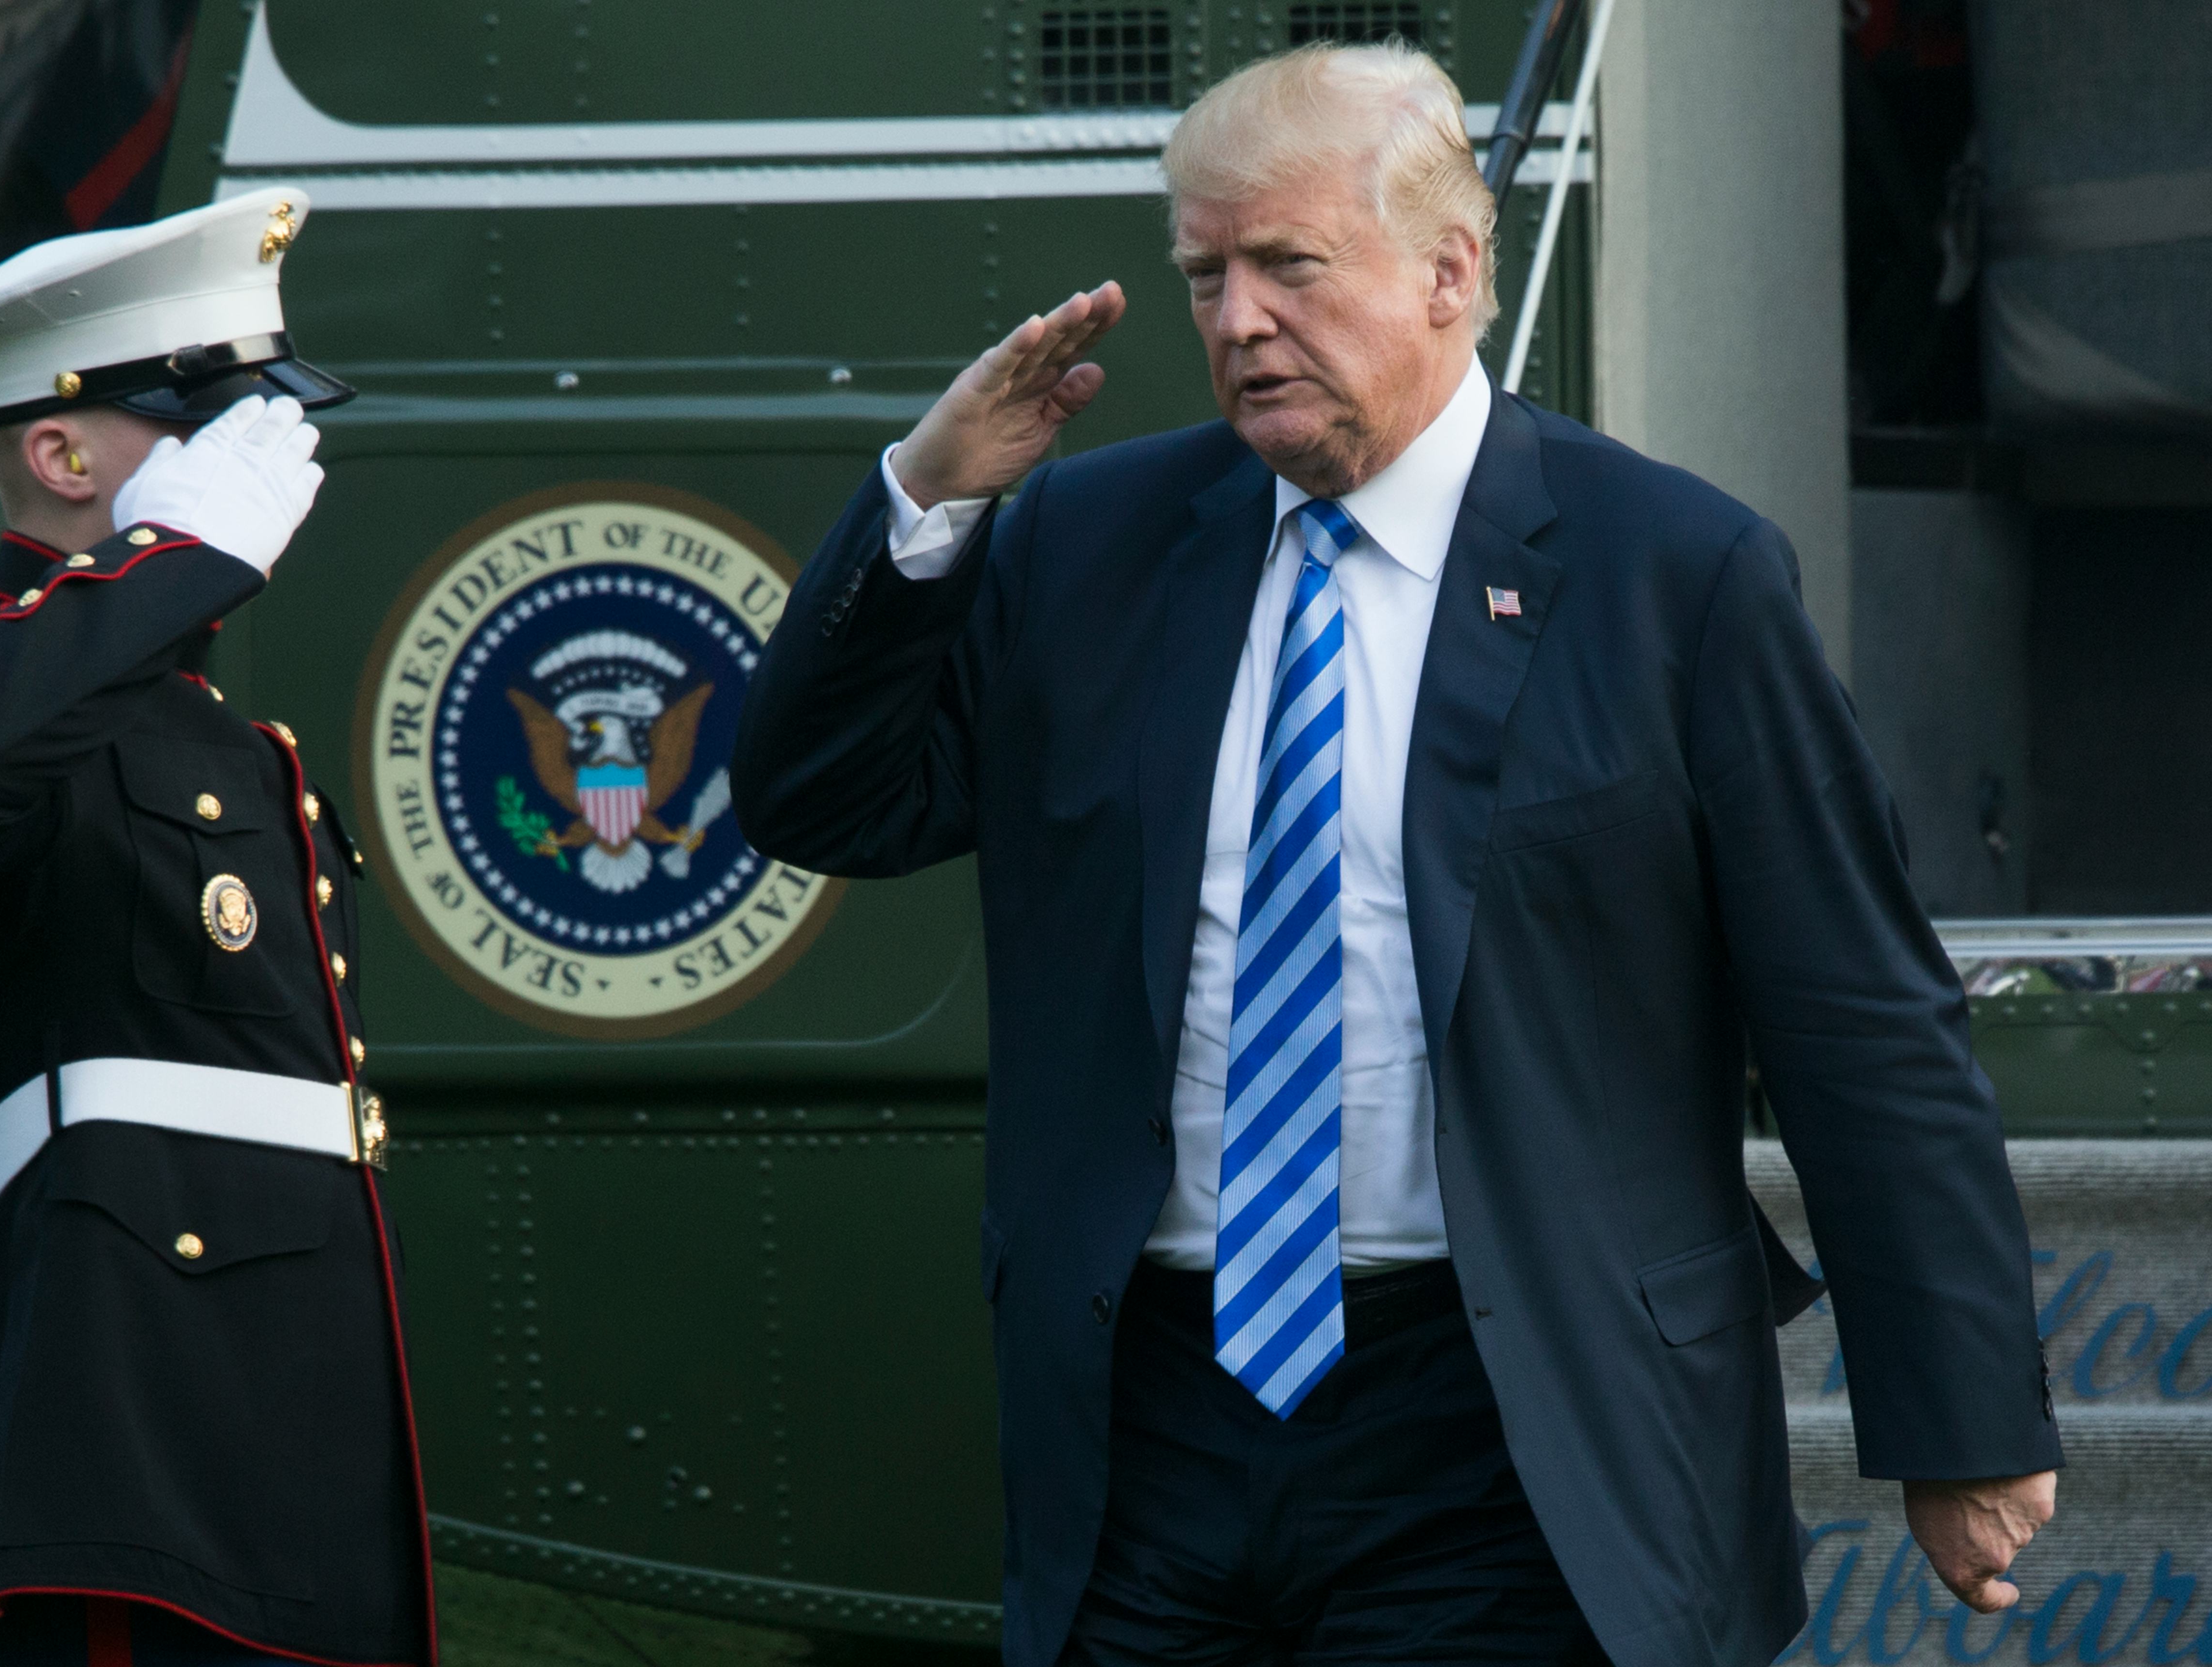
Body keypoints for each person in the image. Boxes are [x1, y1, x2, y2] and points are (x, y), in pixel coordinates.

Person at [731, 41, 2059, 1667]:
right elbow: (821, 803)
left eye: (1289, 266)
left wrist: (1960, 1418)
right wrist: (928, 502)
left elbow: (1858, 1016)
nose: (1238, 321)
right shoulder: (1088, 545)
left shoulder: (1673, 574)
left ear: (1450, 273)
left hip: (1516, 1423)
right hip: (1149, 1426)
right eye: (1206, 276)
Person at [0, 189, 433, 1666]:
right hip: (127, 1451)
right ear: (62, 457)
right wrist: (176, 560)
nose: (263, 463)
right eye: (214, 427)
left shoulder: (220, 739)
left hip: (289, 1444)